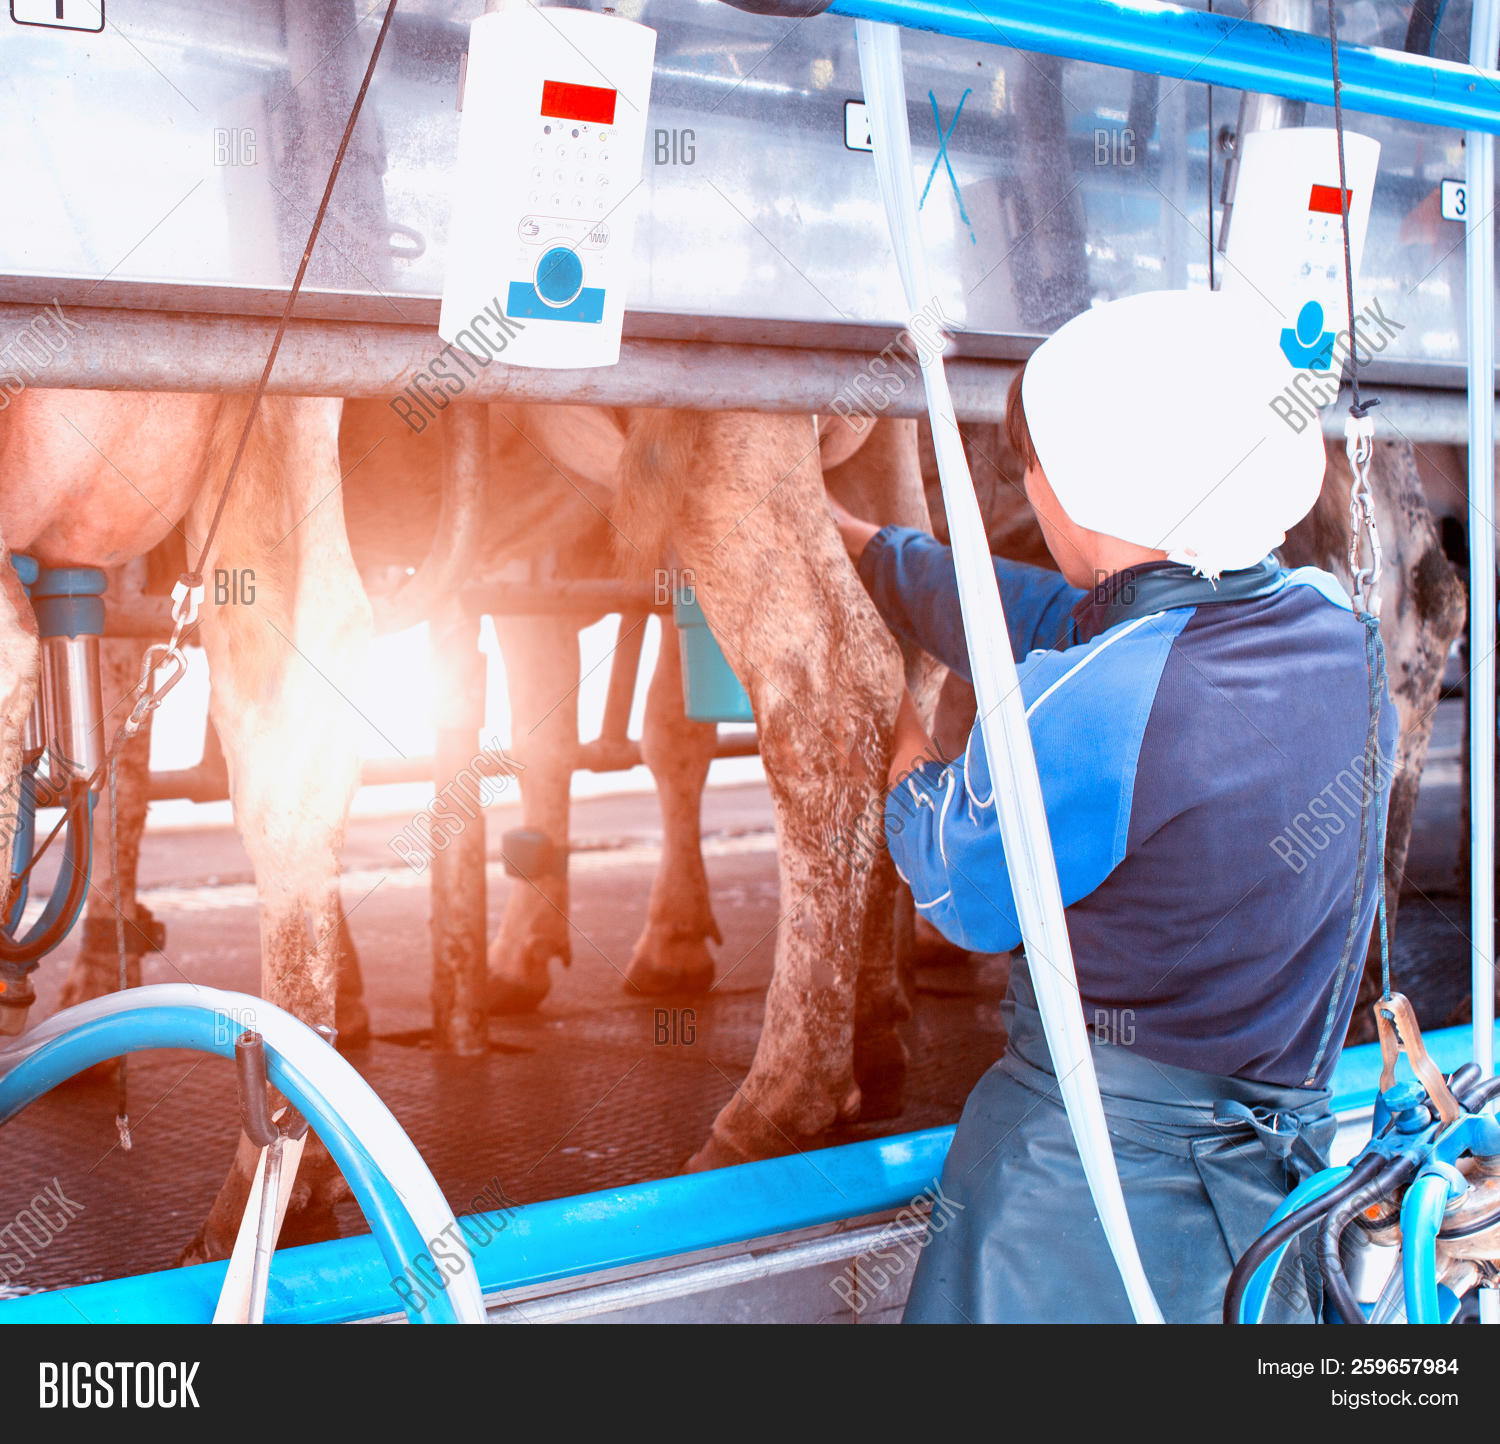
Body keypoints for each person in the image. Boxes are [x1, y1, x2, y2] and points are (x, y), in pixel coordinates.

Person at [828, 288, 1397, 1324]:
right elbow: (1064, 616)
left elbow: (960, 888)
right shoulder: (1337, 636)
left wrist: (903, 734)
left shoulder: (1099, 700)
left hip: (1080, 1184)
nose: (1032, 496)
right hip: (1269, 1184)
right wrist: (875, 547)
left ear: (1079, 491)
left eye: (1032, 475)